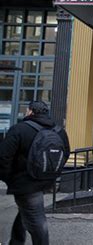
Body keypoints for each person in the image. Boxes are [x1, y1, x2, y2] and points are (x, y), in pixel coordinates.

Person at [0, 101, 70, 245]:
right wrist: (51, 172)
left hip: (25, 183)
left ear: (30, 111)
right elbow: (65, 153)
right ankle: (16, 241)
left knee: (37, 221)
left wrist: (9, 178)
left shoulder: (19, 129)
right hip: (46, 180)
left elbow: (3, 157)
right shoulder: (59, 131)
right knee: (27, 211)